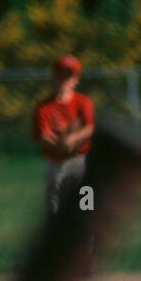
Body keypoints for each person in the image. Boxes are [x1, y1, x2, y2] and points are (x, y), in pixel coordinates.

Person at [32, 55, 95, 214]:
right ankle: (57, 236)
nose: (64, 80)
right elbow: (43, 136)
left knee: (85, 204)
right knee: (54, 206)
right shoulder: (44, 107)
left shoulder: (82, 102)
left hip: (80, 159)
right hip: (56, 162)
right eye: (60, 75)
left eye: (69, 76)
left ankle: (87, 237)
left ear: (76, 80)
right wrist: (62, 143)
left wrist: (72, 138)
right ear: (53, 77)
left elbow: (89, 128)